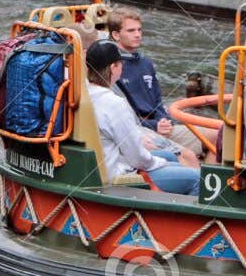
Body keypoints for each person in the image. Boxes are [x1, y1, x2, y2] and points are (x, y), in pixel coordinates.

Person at [85, 40, 200, 195]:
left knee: (169, 156)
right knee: (197, 178)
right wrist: (159, 163)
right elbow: (137, 157)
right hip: (118, 175)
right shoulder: (114, 104)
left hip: (104, 164)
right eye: (121, 63)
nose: (123, 66)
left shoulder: (83, 94)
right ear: (113, 68)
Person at [108, 7, 204, 156]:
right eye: (131, 31)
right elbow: (122, 118)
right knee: (187, 156)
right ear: (116, 35)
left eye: (139, 30)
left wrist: (164, 121)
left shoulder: (146, 63)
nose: (138, 35)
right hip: (139, 131)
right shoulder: (111, 66)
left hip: (160, 126)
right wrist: (155, 125)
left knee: (217, 136)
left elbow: (157, 101)